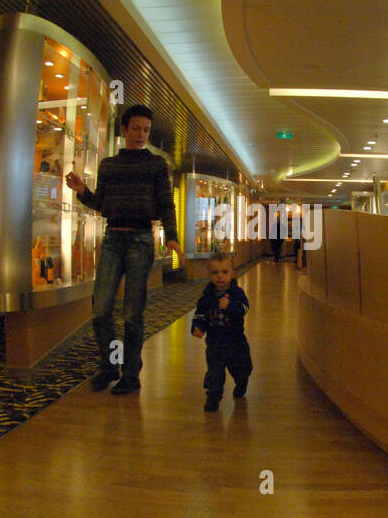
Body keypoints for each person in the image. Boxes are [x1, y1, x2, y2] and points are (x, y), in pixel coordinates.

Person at [65, 104, 182, 394]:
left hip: (141, 240)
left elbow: (166, 202)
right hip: (112, 239)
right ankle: (108, 367)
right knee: (101, 309)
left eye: (146, 130)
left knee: (133, 313)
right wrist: (83, 192)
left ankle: (131, 375)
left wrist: (172, 234)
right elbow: (101, 204)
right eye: (136, 128)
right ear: (124, 130)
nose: (141, 134)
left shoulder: (156, 165)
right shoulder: (109, 165)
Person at [191, 252, 252, 412]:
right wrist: (198, 327)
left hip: (236, 342)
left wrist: (230, 306)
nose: (220, 276)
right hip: (215, 343)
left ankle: (241, 382)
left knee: (242, 368)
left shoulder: (237, 293)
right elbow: (200, 314)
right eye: (215, 273)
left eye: (225, 272)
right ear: (209, 274)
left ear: (232, 273)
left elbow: (244, 309)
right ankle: (213, 397)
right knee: (215, 372)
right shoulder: (206, 297)